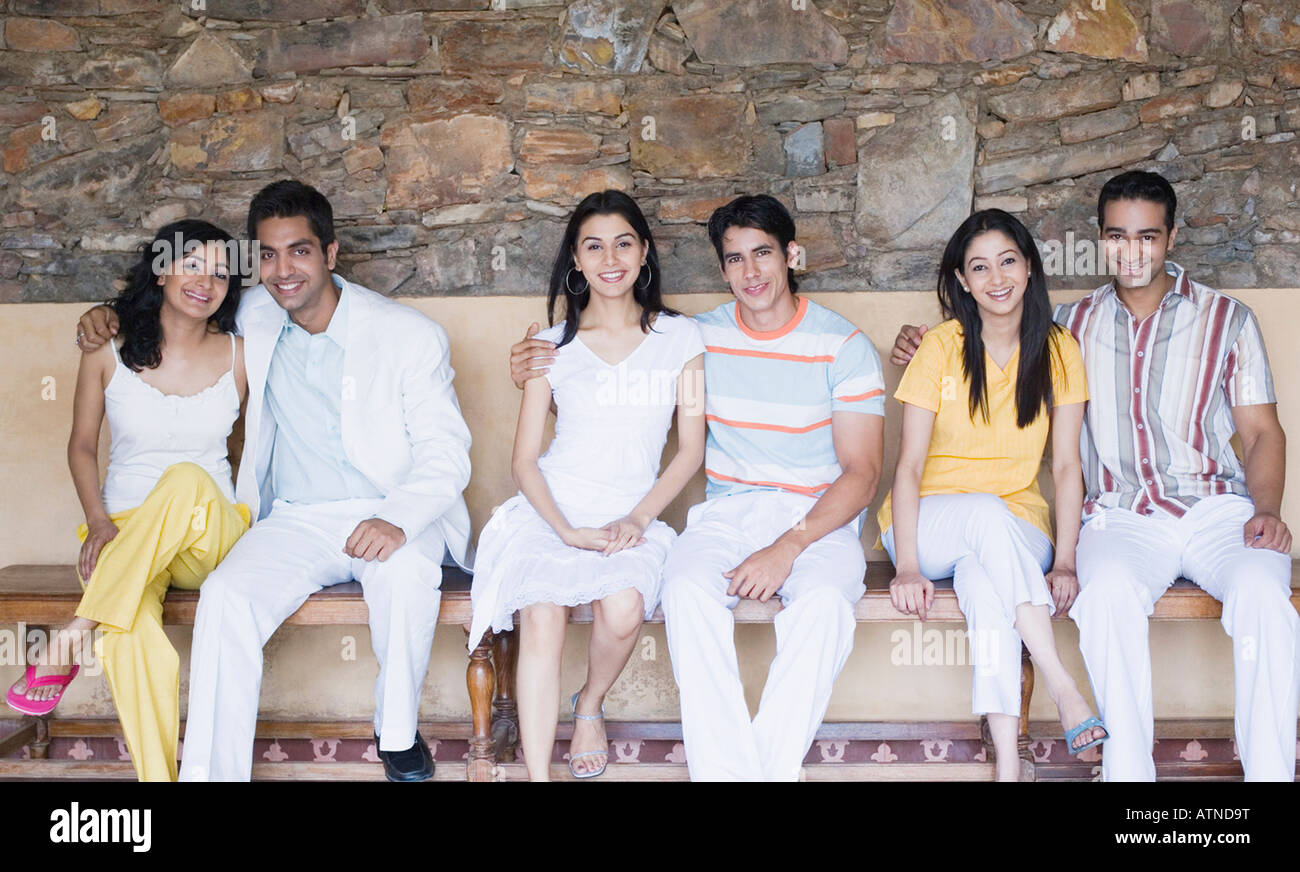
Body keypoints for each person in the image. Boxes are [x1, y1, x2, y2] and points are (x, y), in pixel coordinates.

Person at [890, 170, 1297, 782]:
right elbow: (986, 331)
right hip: (1122, 516)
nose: (1133, 252)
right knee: (1102, 598)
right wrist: (920, 340)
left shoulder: (1227, 320)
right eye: (1117, 236)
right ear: (1101, 241)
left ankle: (1270, 776)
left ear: (1172, 237)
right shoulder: (1068, 326)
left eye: (1148, 237)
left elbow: (1264, 433)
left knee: (1267, 597)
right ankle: (1127, 779)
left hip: (1216, 507)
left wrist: (1266, 507)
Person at [75, 180, 473, 782]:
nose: (282, 270)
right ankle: (213, 775)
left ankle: (396, 736)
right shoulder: (252, 316)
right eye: (266, 254)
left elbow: (448, 452)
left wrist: (399, 518)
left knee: (406, 572)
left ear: (331, 254)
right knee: (227, 597)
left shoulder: (407, 334)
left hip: (388, 508)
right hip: (292, 518)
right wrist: (104, 316)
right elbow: (170, 310)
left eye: (300, 251)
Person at [511, 195, 885, 780]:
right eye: (734, 259)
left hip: (816, 519)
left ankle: (760, 771)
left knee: (821, 608)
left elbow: (862, 475)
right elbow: (616, 367)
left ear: (791, 255)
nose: (751, 272)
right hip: (727, 513)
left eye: (763, 254)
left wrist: (786, 547)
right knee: (685, 592)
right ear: (721, 268)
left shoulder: (844, 345)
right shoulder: (694, 336)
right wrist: (529, 368)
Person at [469, 190, 705, 781]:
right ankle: (539, 774)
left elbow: (691, 449)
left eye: (623, 243)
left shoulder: (683, 340)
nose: (610, 258)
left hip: (633, 512)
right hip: (551, 509)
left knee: (624, 608)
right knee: (543, 614)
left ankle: (590, 704)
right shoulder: (549, 347)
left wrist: (638, 519)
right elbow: (525, 462)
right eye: (593, 246)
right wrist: (565, 529)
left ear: (645, 251)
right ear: (576, 260)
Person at [7, 220, 250, 782]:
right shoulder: (106, 351)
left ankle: (73, 635)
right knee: (131, 635)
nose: (205, 281)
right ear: (162, 269)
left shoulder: (242, 354)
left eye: (220, 273)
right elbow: (82, 446)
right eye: (192, 264)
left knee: (188, 477)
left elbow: (252, 449)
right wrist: (96, 521)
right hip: (119, 534)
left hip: (208, 537)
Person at [880, 209, 1106, 781]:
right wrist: (906, 565)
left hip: (1015, 525)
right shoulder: (940, 347)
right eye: (979, 267)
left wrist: (1068, 560)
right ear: (962, 280)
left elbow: (1066, 465)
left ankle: (1008, 762)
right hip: (925, 524)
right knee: (981, 510)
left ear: (1028, 266)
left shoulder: (1059, 350)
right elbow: (906, 467)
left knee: (987, 586)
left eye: (1007, 261)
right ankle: (1062, 684)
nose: (996, 277)